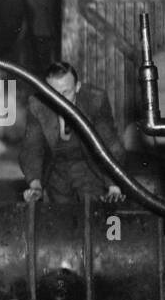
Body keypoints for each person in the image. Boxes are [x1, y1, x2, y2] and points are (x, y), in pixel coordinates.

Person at [20, 61, 125, 205]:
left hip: (88, 167)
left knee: (92, 211)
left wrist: (114, 186)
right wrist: (35, 186)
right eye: (54, 93)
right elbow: (32, 148)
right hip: (55, 170)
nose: (60, 100)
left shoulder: (95, 100)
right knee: (57, 218)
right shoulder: (37, 105)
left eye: (66, 92)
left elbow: (110, 144)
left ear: (77, 87)